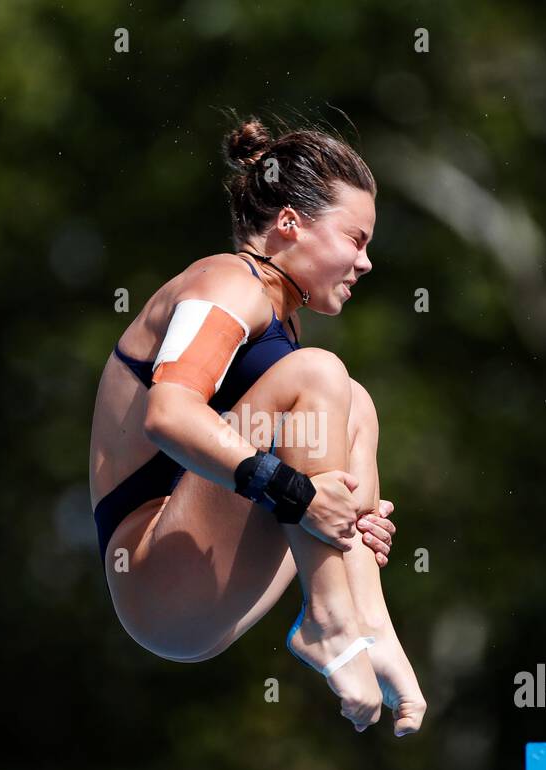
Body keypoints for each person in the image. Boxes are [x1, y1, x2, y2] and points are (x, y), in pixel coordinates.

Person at [88, 116, 425, 736]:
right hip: (156, 576)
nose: (367, 262)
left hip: (203, 587)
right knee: (322, 375)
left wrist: (354, 515)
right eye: (356, 239)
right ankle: (328, 620)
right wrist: (297, 491)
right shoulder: (224, 281)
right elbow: (169, 413)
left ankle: (364, 617)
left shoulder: (280, 317)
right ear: (291, 223)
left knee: (354, 400)